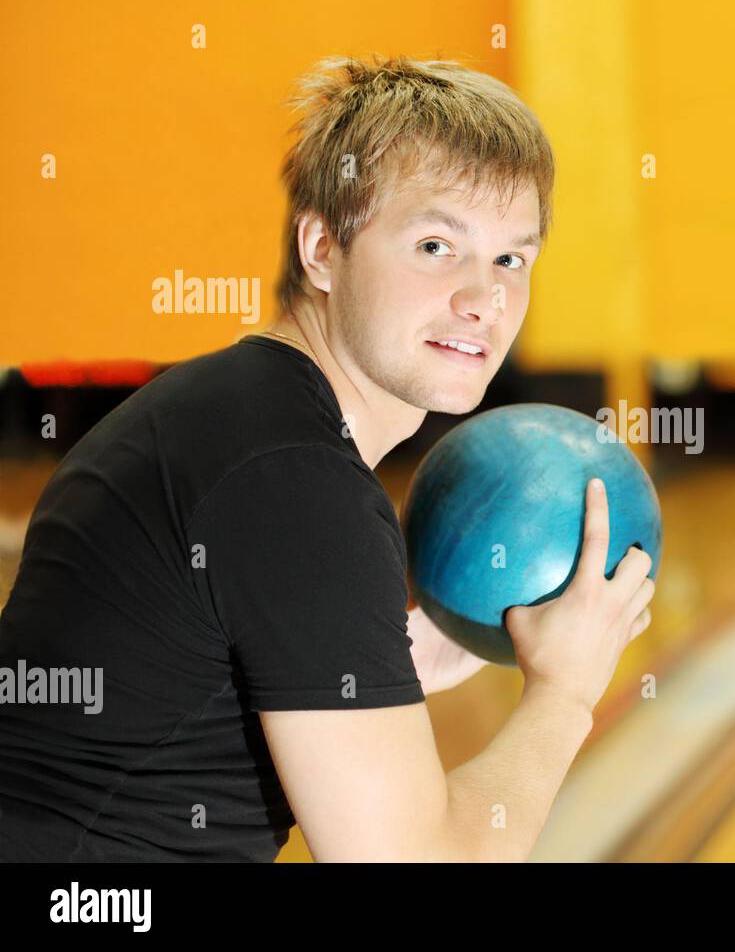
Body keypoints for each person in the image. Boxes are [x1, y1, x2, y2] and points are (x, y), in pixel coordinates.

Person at [0, 55, 654, 862]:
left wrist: (386, 652)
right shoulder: (296, 481)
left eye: (510, 259)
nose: (482, 297)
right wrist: (566, 690)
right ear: (320, 249)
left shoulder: (227, 415)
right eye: (436, 244)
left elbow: (195, 680)